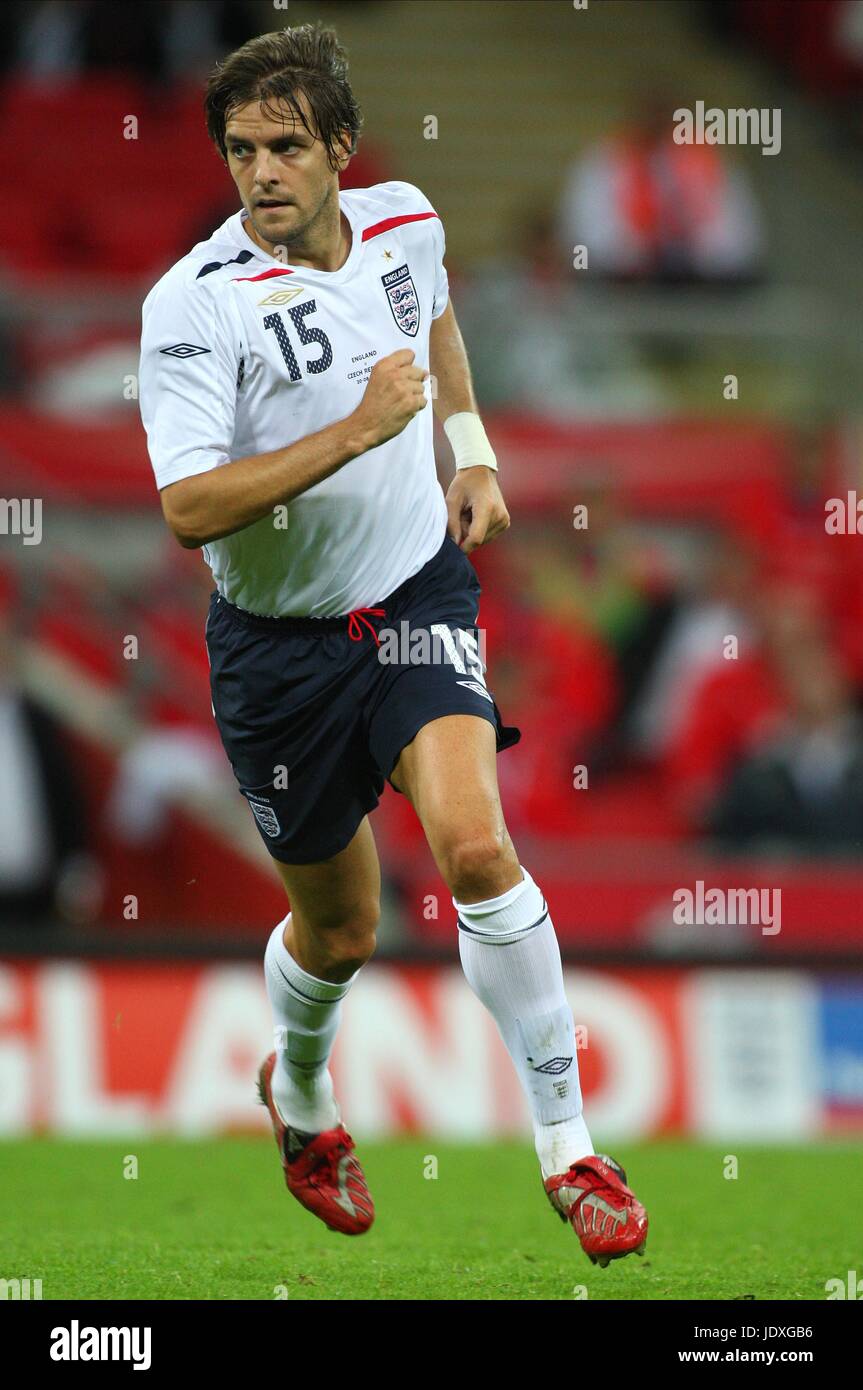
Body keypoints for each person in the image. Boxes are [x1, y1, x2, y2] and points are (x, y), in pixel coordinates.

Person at [138, 21, 647, 1268]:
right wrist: (363, 431)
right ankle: (301, 1098)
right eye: (241, 149)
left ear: (342, 150)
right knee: (343, 933)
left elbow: (435, 335)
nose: (260, 173)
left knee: (474, 842)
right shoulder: (193, 307)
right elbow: (187, 507)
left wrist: (467, 456)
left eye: (286, 147)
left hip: (414, 594)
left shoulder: (405, 222)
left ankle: (569, 1149)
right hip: (273, 650)